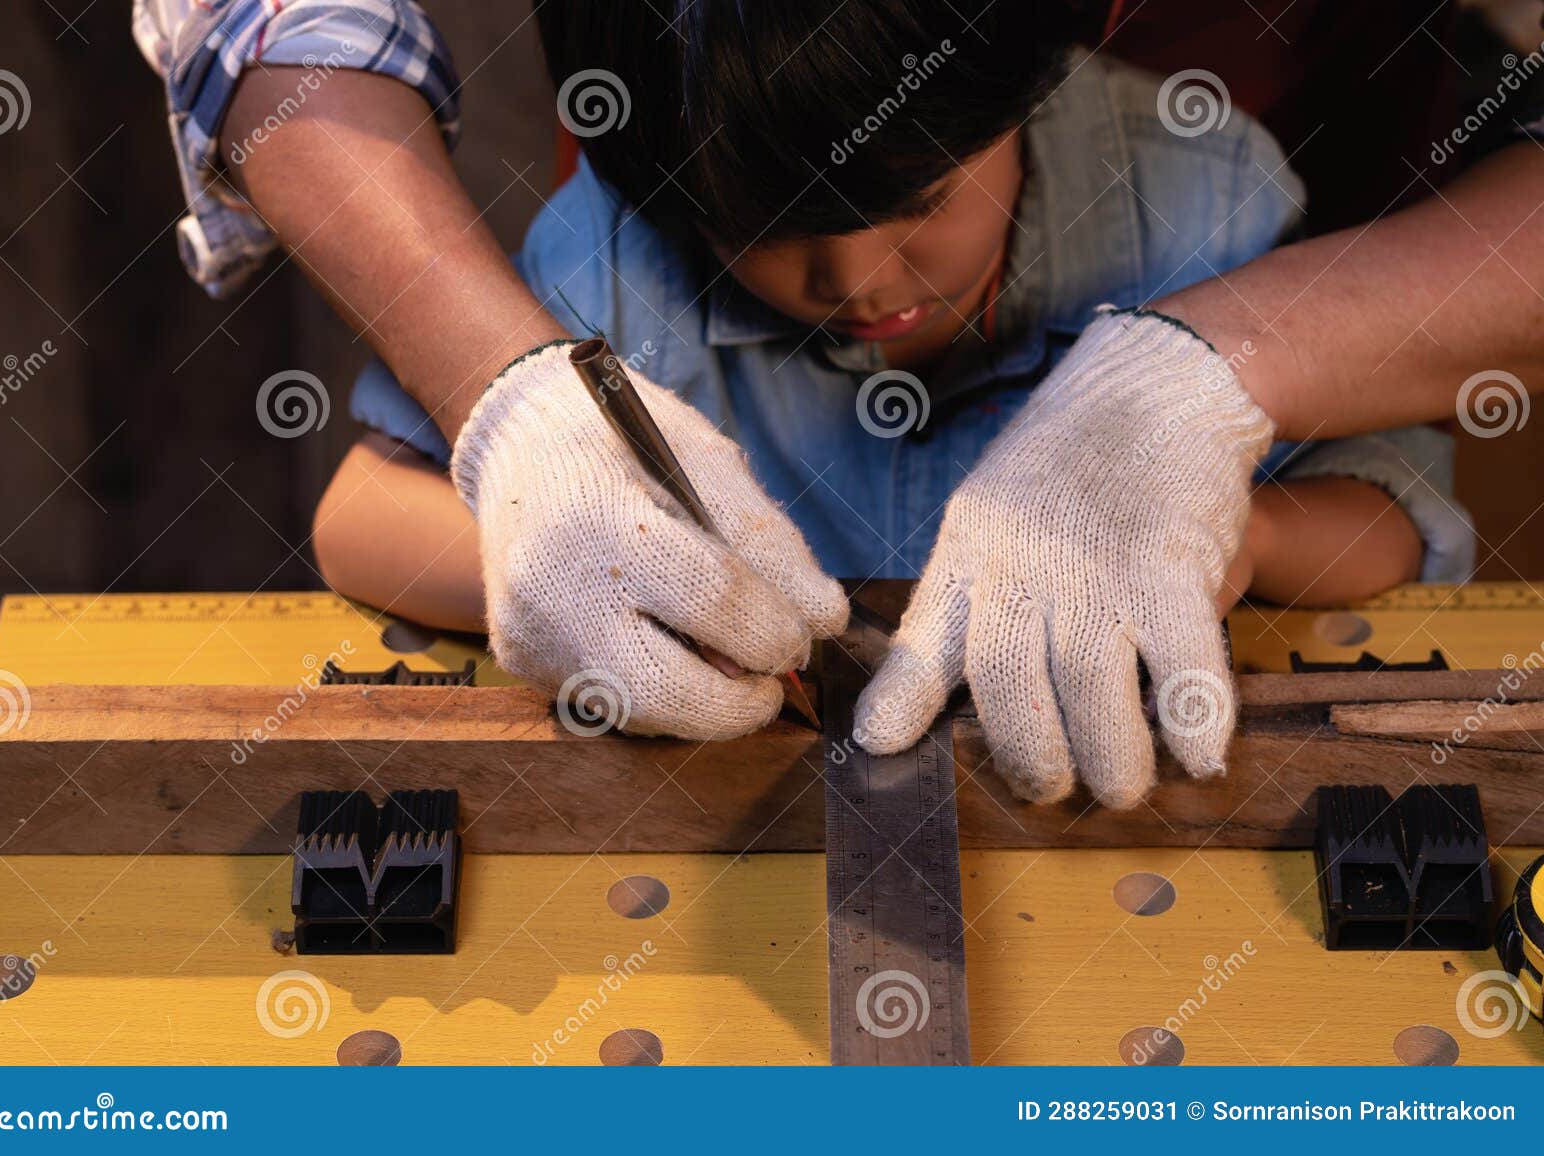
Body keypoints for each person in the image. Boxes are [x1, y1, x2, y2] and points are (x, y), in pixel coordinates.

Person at [134, 1, 1535, 809]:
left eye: (917, 199)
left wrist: (1235, 533)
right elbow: (359, 525)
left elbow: (1394, 527)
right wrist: (553, 520)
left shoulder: (1205, 198)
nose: (859, 279)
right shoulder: (617, 262)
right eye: (770, 227)